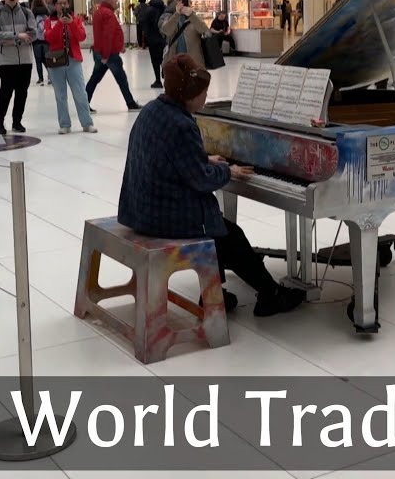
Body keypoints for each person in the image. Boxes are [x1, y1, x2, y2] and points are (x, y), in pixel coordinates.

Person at [118, 54, 306, 317]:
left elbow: (167, 155)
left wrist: (204, 159)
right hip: (161, 217)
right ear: (189, 95)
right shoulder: (182, 124)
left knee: (219, 226)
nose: (206, 98)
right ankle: (270, 294)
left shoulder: (153, 110)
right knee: (229, 234)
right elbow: (201, 180)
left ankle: (214, 294)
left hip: (139, 207)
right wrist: (227, 170)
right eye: (203, 93)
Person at [43, 0, 96, 134]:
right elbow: (49, 37)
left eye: (65, 3)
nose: (62, 6)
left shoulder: (77, 19)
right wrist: (60, 23)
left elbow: (81, 36)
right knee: (60, 95)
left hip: (73, 60)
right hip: (56, 61)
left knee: (80, 93)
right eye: (59, 3)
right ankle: (64, 124)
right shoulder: (49, 21)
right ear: (55, 6)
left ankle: (87, 123)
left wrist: (71, 23)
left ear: (68, 4)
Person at [86, 0, 142, 112]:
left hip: (101, 52)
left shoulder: (99, 12)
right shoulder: (107, 14)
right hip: (109, 54)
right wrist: (106, 55)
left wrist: (118, 46)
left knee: (95, 78)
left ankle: (84, 103)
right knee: (121, 79)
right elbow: (108, 35)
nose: (116, 0)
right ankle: (131, 103)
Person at [0, 0, 37, 133]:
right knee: (5, 92)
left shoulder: (27, 12)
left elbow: (33, 34)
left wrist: (11, 41)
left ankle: (17, 122)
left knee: (22, 92)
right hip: (5, 60)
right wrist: (18, 36)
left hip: (25, 59)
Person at [162, 0, 212, 70]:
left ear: (190, 2)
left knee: (193, 81)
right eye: (179, 0)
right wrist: (176, 15)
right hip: (175, 60)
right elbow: (167, 31)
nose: (182, 2)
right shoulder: (169, 16)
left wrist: (192, 15)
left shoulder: (195, 17)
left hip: (194, 60)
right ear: (176, 2)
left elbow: (204, 30)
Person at [140, 0, 167, 88]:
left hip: (153, 39)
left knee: (155, 60)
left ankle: (158, 80)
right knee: (165, 58)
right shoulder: (165, 8)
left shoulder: (149, 9)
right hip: (164, 38)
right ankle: (165, 75)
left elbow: (144, 23)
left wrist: (147, 36)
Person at [31, 0, 51, 87]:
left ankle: (40, 78)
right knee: (47, 59)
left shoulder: (32, 13)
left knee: (38, 60)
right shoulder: (47, 12)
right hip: (46, 38)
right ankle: (50, 76)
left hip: (36, 40)